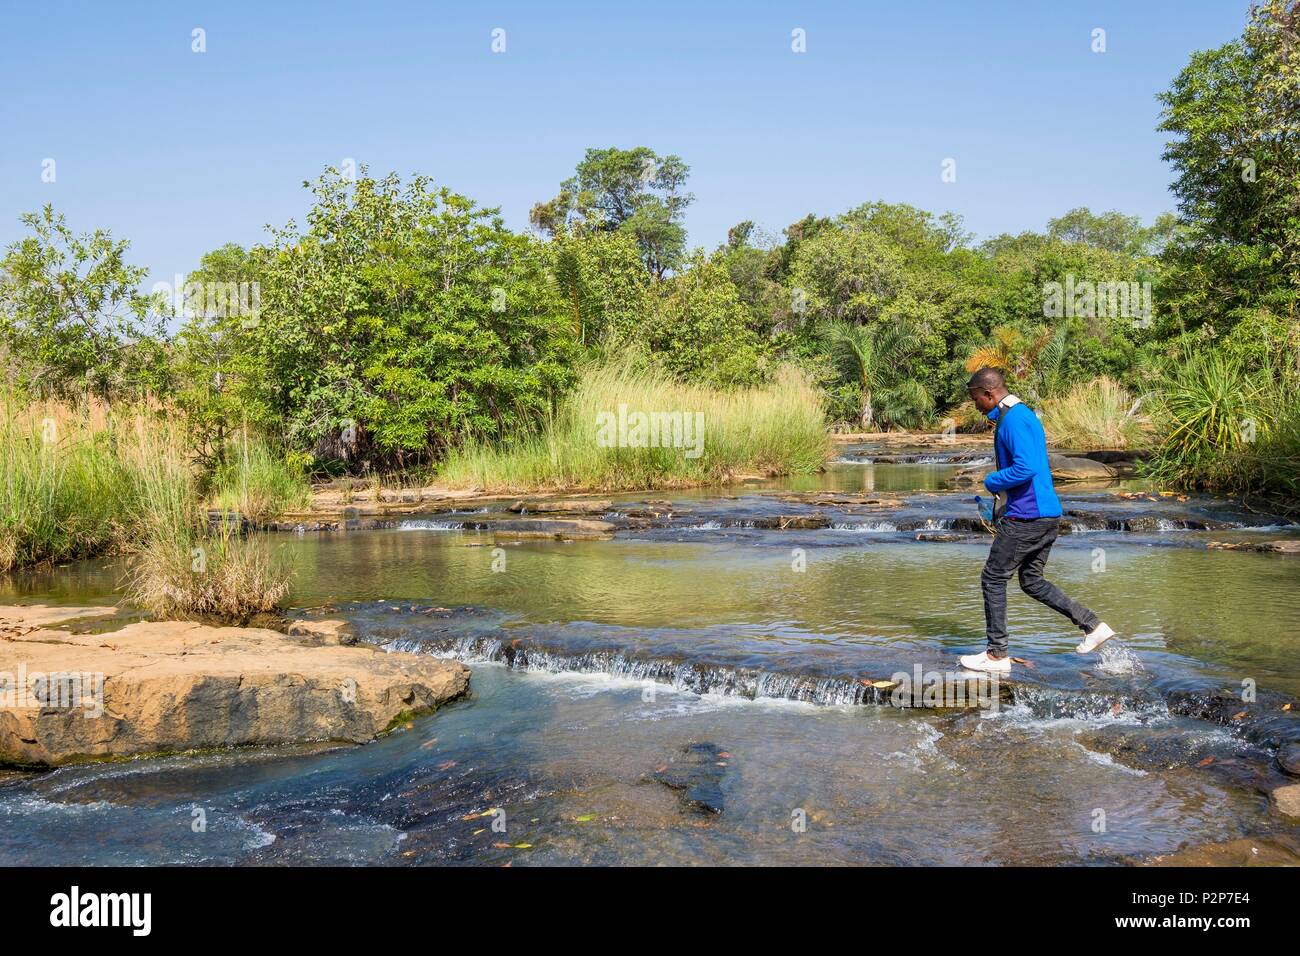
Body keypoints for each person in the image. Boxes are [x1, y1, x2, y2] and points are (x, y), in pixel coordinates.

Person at [959, 367, 1115, 674]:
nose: (975, 405)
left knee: (993, 577)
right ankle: (1093, 626)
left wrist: (992, 481)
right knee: (1031, 580)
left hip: (1027, 517)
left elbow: (1026, 467)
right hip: (1045, 515)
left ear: (989, 394)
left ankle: (996, 655)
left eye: (976, 398)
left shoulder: (1015, 419)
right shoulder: (1019, 415)